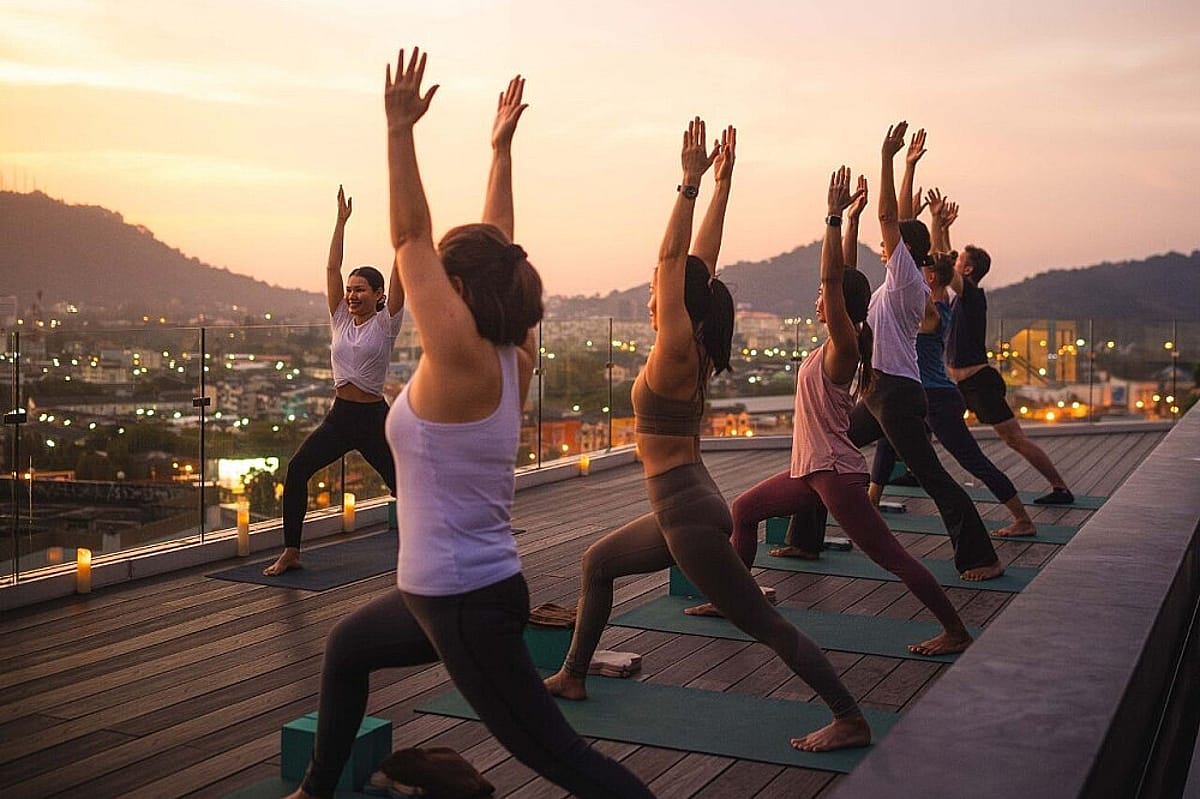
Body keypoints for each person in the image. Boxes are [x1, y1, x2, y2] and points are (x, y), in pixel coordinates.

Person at [285, 51, 654, 799]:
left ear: (455, 290)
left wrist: (399, 132)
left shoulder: (463, 360)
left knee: (561, 758)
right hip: (448, 592)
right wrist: (499, 149)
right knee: (347, 647)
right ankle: (316, 789)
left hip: (465, 602)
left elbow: (411, 238)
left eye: (441, 281)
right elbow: (499, 242)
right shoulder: (508, 352)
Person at [545, 119, 872, 753]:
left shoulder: (674, 348)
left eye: (656, 290)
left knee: (764, 624)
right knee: (598, 565)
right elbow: (697, 267)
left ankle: (848, 714)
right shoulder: (690, 342)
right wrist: (724, 184)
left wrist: (691, 183)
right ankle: (573, 675)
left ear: (678, 303)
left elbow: (676, 263)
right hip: (682, 505)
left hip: (689, 515)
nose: (650, 292)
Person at [722, 167, 972, 656]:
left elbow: (835, 281)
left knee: (893, 558)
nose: (818, 299)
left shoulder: (844, 346)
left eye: (824, 297)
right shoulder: (836, 343)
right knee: (743, 511)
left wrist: (833, 217)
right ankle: (736, 599)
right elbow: (843, 282)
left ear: (839, 306)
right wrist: (851, 222)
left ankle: (955, 629)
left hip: (834, 473)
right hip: (811, 469)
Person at [770, 124, 1004, 581]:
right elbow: (859, 273)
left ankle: (981, 557)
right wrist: (873, 202)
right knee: (825, 453)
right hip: (880, 394)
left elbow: (890, 221)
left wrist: (888, 158)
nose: (883, 245)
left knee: (933, 477)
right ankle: (804, 539)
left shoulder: (907, 281)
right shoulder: (893, 289)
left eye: (890, 242)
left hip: (895, 395)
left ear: (904, 251)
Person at [263, 186, 404, 576]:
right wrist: (340, 222)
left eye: (360, 290)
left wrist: (403, 234)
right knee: (297, 470)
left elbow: (402, 269)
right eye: (350, 289)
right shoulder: (340, 318)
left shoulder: (387, 323)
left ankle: (432, 553)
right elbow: (331, 270)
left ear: (379, 295)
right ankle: (291, 551)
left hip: (374, 419)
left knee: (405, 489)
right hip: (340, 418)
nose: (352, 294)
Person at [869, 241, 1037, 536]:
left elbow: (912, 279)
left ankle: (1022, 518)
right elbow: (932, 271)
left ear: (929, 278)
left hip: (938, 398)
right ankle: (871, 503)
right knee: (886, 440)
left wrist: (905, 254)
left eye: (921, 270)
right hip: (919, 393)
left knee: (971, 460)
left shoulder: (931, 312)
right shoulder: (941, 301)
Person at [940, 204, 1075, 505]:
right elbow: (947, 264)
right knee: (924, 418)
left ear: (969, 269)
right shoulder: (961, 297)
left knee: (1014, 438)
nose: (955, 262)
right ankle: (907, 469)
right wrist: (945, 228)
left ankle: (1060, 487)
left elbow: (946, 268)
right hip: (958, 385)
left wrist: (941, 225)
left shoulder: (972, 295)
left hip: (978, 384)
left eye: (960, 260)